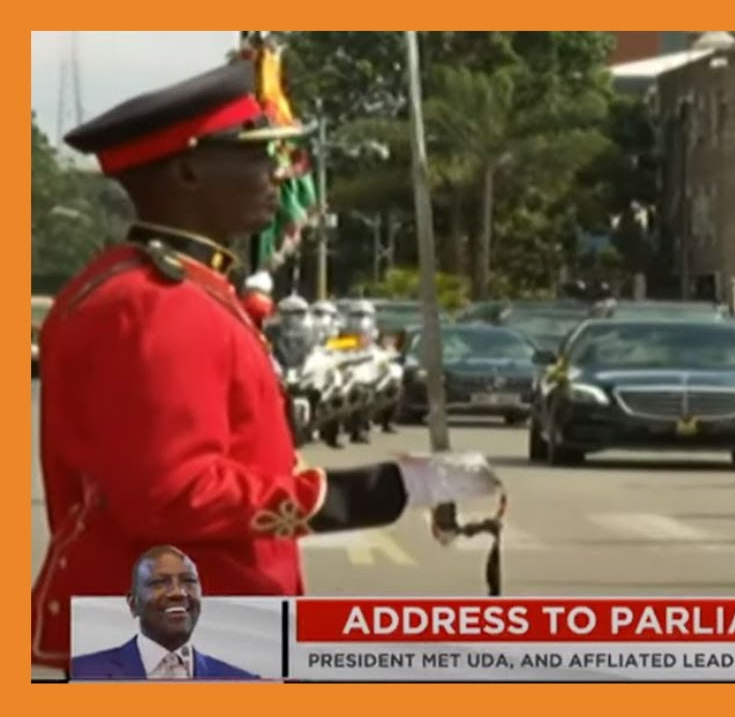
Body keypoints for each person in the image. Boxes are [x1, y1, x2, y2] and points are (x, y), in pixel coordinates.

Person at [33, 60, 501, 675]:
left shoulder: (168, 287)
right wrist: (385, 489)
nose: (277, 173)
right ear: (189, 169)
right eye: (255, 156)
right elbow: (174, 496)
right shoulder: (155, 305)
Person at [70, 546, 256, 680]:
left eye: (188, 581)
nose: (178, 592)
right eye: (159, 583)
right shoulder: (82, 673)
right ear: (133, 604)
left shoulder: (243, 682)